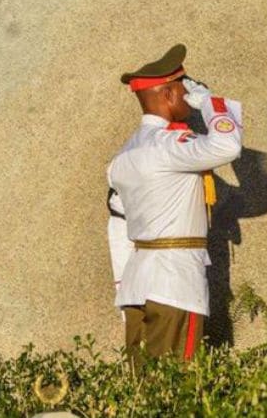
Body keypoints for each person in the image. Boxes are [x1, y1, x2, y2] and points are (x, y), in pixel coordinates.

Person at [106, 44, 243, 367]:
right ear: (168, 95)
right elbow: (227, 144)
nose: (189, 100)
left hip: (137, 283)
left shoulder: (123, 156)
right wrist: (211, 102)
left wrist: (120, 284)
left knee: (143, 387)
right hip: (175, 283)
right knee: (178, 384)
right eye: (184, 90)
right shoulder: (172, 145)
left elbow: (118, 224)